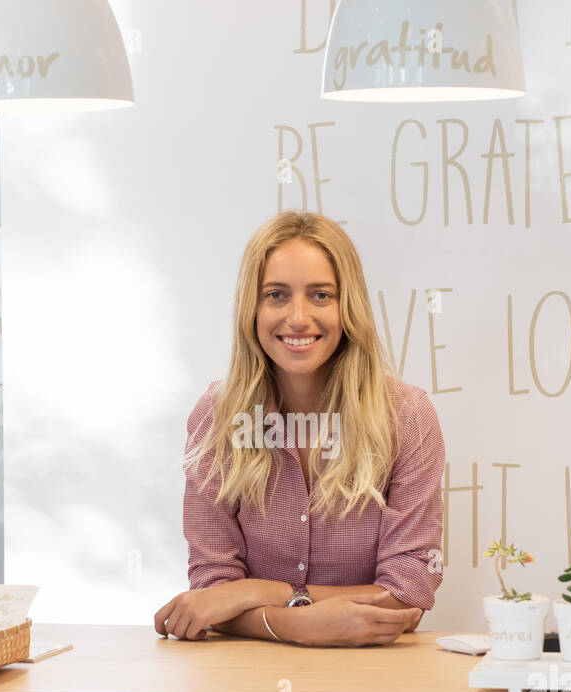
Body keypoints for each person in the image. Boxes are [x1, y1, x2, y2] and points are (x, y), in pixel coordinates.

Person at [154, 211, 445, 647]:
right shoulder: (216, 418)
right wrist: (295, 625)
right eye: (276, 294)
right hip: (244, 671)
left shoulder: (407, 416)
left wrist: (261, 592)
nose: (297, 317)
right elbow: (212, 590)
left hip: (373, 670)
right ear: (251, 307)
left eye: (320, 295)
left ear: (349, 306)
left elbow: (407, 595)